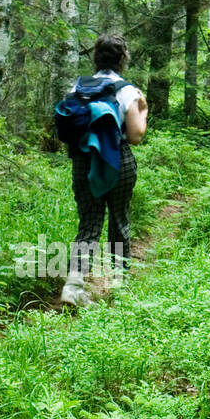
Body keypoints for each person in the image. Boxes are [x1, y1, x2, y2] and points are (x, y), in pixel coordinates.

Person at [59, 33, 148, 307]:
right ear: (123, 59)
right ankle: (120, 283)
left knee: (88, 223)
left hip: (83, 162)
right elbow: (135, 135)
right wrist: (143, 111)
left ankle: (73, 287)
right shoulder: (127, 90)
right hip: (117, 161)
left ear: (96, 58)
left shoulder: (78, 87)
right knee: (119, 220)